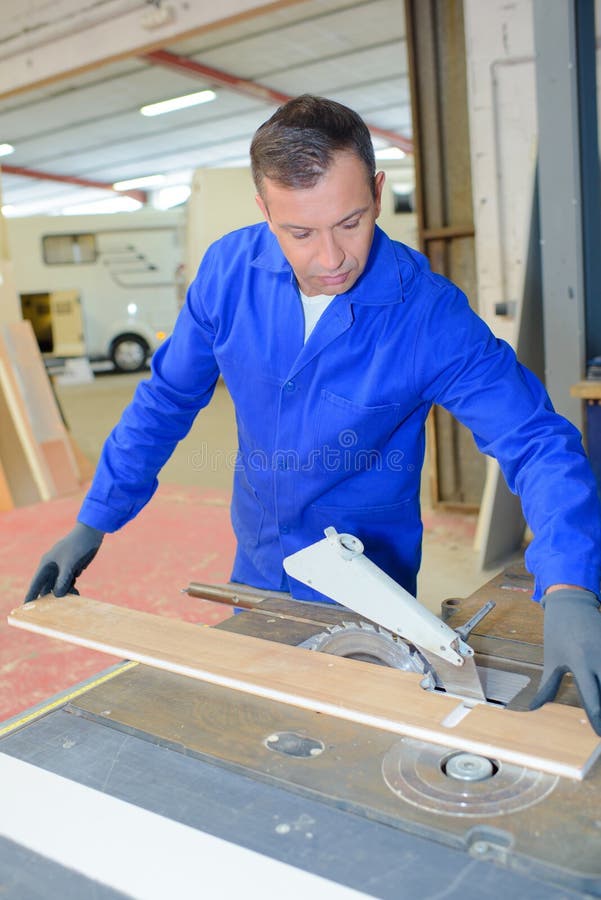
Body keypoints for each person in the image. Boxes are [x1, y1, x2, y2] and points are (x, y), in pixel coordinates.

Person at [26, 95, 601, 734]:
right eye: (300, 232)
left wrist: (570, 584)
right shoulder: (227, 274)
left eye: (350, 222)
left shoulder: (428, 318)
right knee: (249, 728)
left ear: (378, 193)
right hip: (257, 565)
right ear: (265, 210)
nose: (331, 258)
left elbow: (537, 442)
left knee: (350, 743)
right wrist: (97, 516)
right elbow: (166, 400)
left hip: (366, 591)